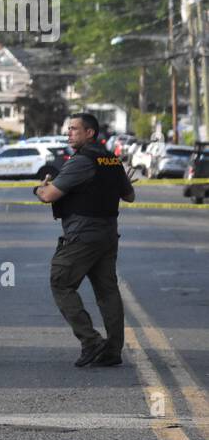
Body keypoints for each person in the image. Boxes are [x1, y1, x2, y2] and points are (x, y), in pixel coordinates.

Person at [34, 112, 135, 366]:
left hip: (83, 234)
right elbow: (130, 195)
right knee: (107, 291)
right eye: (68, 129)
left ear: (90, 133)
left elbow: (49, 196)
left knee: (61, 282)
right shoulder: (111, 159)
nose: (68, 134)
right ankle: (112, 351)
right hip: (108, 234)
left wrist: (39, 188)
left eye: (74, 129)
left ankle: (92, 342)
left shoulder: (81, 161)